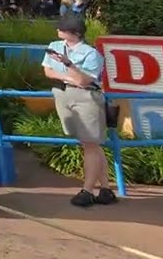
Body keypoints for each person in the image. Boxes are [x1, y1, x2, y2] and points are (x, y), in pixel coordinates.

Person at [43, 14, 117, 208]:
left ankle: (87, 190)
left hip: (86, 97)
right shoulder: (55, 46)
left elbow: (85, 81)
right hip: (62, 94)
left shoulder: (91, 54)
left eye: (63, 28)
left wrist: (69, 65)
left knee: (91, 143)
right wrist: (69, 77)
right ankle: (106, 189)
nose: (58, 30)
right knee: (88, 143)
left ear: (75, 33)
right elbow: (48, 71)